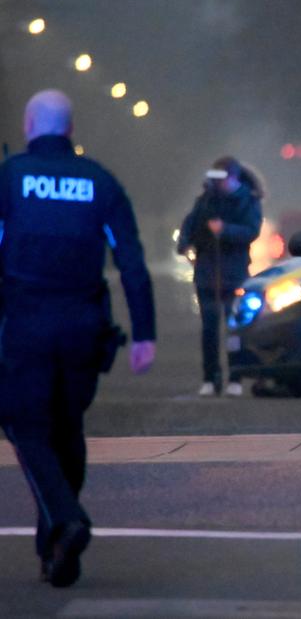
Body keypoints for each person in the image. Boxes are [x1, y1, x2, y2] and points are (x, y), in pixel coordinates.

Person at [0, 89, 156, 586]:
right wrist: (144, 334)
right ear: (70, 129)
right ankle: (55, 549)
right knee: (66, 428)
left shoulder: (10, 178)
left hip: (25, 322)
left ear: (29, 124)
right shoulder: (100, 182)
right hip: (85, 326)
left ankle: (66, 521)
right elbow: (131, 260)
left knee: (26, 426)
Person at [177, 156, 263, 397]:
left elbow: (251, 231)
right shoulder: (205, 200)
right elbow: (189, 225)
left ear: (234, 178)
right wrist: (184, 244)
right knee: (209, 329)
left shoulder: (248, 201)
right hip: (206, 274)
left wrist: (225, 231)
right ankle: (210, 378)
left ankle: (235, 378)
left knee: (234, 330)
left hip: (234, 275)